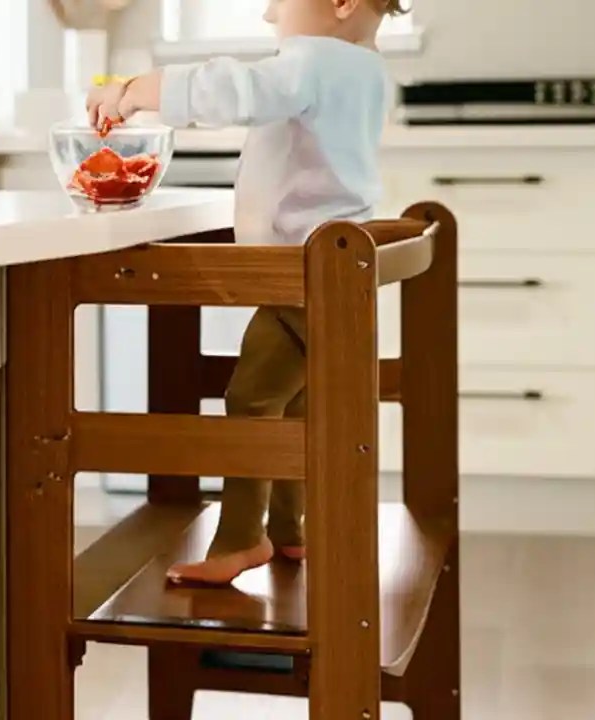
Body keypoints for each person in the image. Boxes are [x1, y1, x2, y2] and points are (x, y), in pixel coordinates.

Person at [86, 0, 407, 585]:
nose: (267, 15)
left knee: (252, 401)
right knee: (296, 403)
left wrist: (135, 90)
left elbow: (236, 89)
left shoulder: (314, 57)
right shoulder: (365, 68)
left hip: (299, 272)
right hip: (334, 270)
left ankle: (240, 538)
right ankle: (289, 528)